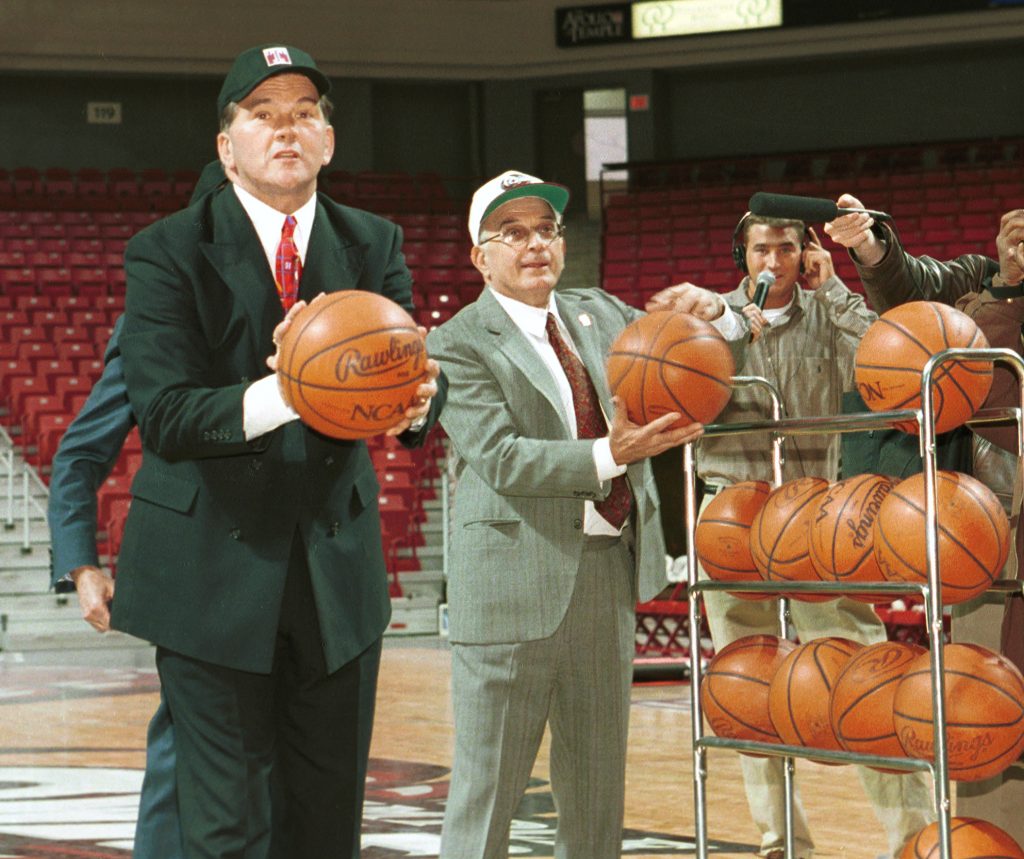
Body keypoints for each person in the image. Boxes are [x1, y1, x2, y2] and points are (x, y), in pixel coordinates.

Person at [110, 44, 445, 859]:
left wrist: (415, 404)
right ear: (227, 147)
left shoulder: (374, 242)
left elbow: (402, 397)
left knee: (326, 827)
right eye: (261, 114)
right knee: (226, 830)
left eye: (305, 113)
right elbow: (165, 415)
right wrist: (294, 390)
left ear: (329, 140)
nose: (285, 129)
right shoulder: (166, 248)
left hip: (336, 580)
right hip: (207, 576)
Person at [426, 170, 748, 858]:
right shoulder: (456, 340)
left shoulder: (598, 311)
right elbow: (504, 457)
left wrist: (714, 312)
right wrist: (611, 453)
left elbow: (691, 349)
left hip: (606, 578)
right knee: (488, 795)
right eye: (512, 233)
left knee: (598, 798)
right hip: (512, 589)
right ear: (480, 256)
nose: (535, 243)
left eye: (546, 229)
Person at [691, 212, 935, 859]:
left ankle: (913, 839)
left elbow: (887, 349)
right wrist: (739, 316)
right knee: (746, 685)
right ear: (742, 255)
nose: (774, 257)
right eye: (761, 247)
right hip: (731, 514)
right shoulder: (712, 316)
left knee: (866, 673)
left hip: (816, 517)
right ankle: (780, 841)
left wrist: (832, 289)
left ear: (806, 252)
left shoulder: (829, 308)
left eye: (787, 246)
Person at [45, 159, 230, 859]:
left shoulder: (323, 319)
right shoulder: (157, 319)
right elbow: (80, 453)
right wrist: (81, 563)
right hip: (195, 570)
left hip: (294, 569)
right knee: (184, 762)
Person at [826, 197, 1024, 841]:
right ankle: (990, 841)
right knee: (987, 695)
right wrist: (871, 247)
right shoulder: (977, 279)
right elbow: (910, 291)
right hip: (984, 521)